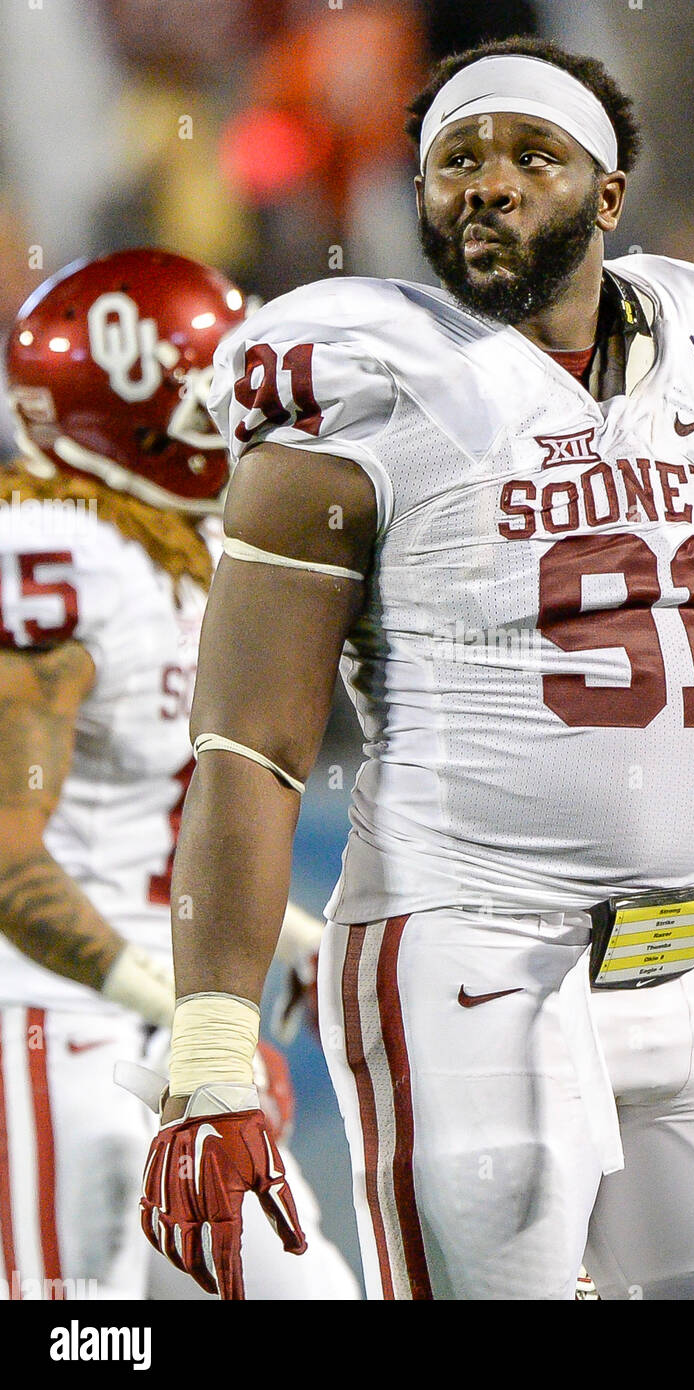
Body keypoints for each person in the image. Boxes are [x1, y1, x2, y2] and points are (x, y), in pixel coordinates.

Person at [143, 37, 694, 1301]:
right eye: (455, 160)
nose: (489, 182)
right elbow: (249, 744)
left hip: (691, 968)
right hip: (467, 963)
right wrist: (212, 1049)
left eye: (534, 154)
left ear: (610, 193)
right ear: (416, 199)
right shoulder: (357, 389)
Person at [0, 248, 358, 1300]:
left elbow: (153, 832)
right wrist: (186, 1001)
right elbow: (10, 856)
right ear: (132, 408)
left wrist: (290, 950)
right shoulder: (55, 550)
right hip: (45, 1027)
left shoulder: (170, 555)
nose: (240, 422)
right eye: (211, 394)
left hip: (150, 1030)